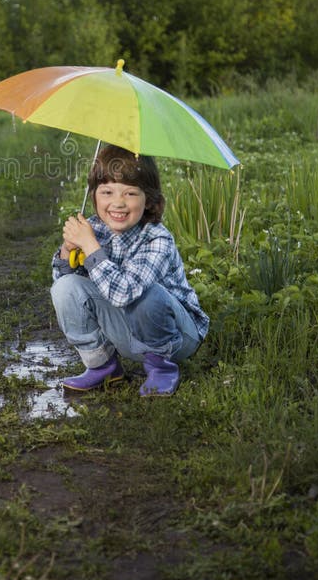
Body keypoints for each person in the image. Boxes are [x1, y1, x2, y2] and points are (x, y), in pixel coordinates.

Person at [51, 144, 208, 396]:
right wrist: (68, 250)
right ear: (94, 196)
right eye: (107, 191)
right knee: (65, 288)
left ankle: (162, 368)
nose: (118, 203)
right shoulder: (93, 228)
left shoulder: (157, 239)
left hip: (175, 336)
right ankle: (103, 366)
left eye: (130, 194)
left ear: (149, 200)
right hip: (127, 331)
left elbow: (124, 293)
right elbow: (67, 288)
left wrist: (91, 247)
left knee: (148, 295)